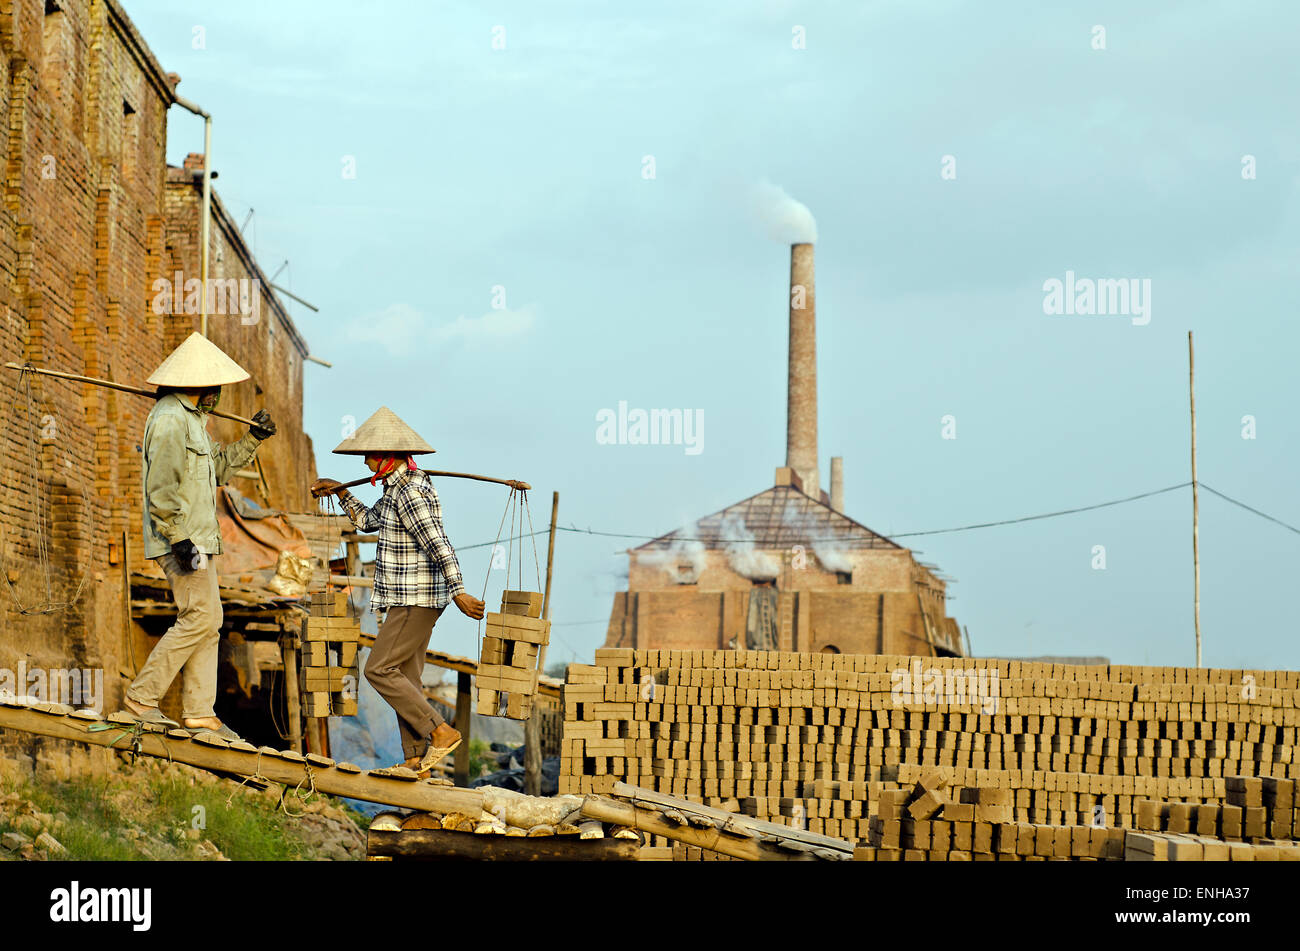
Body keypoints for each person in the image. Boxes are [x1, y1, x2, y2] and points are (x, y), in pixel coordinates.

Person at [312, 406, 484, 777]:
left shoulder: (408, 491)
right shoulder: (396, 489)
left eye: (369, 456)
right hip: (411, 599)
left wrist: (459, 592)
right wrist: (341, 493)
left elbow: (438, 542)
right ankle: (415, 758)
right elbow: (370, 521)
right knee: (406, 677)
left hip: (415, 599)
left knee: (379, 669)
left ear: (387, 456)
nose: (365, 462)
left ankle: (440, 730)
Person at [121, 333, 276, 740]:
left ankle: (198, 711)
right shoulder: (171, 419)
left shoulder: (193, 422)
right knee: (200, 617)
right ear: (197, 384)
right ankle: (141, 698)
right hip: (182, 540)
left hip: (198, 540)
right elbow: (161, 488)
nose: (219, 394)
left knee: (210, 620)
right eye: (215, 386)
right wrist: (178, 537)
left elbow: (220, 471)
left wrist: (253, 440)